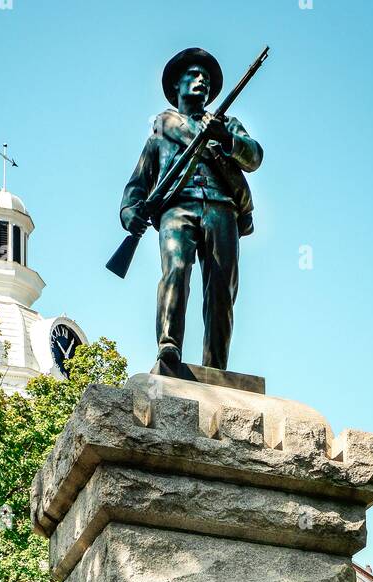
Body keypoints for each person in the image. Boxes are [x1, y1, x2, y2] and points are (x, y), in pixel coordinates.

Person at [120, 47, 263, 373]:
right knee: (176, 270)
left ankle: (216, 366)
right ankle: (169, 345)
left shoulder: (227, 124)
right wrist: (129, 209)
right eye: (194, 75)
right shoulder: (162, 129)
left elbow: (254, 157)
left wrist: (226, 138)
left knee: (222, 288)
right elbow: (139, 178)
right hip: (177, 208)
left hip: (221, 208)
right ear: (177, 87)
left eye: (207, 79)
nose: (202, 81)